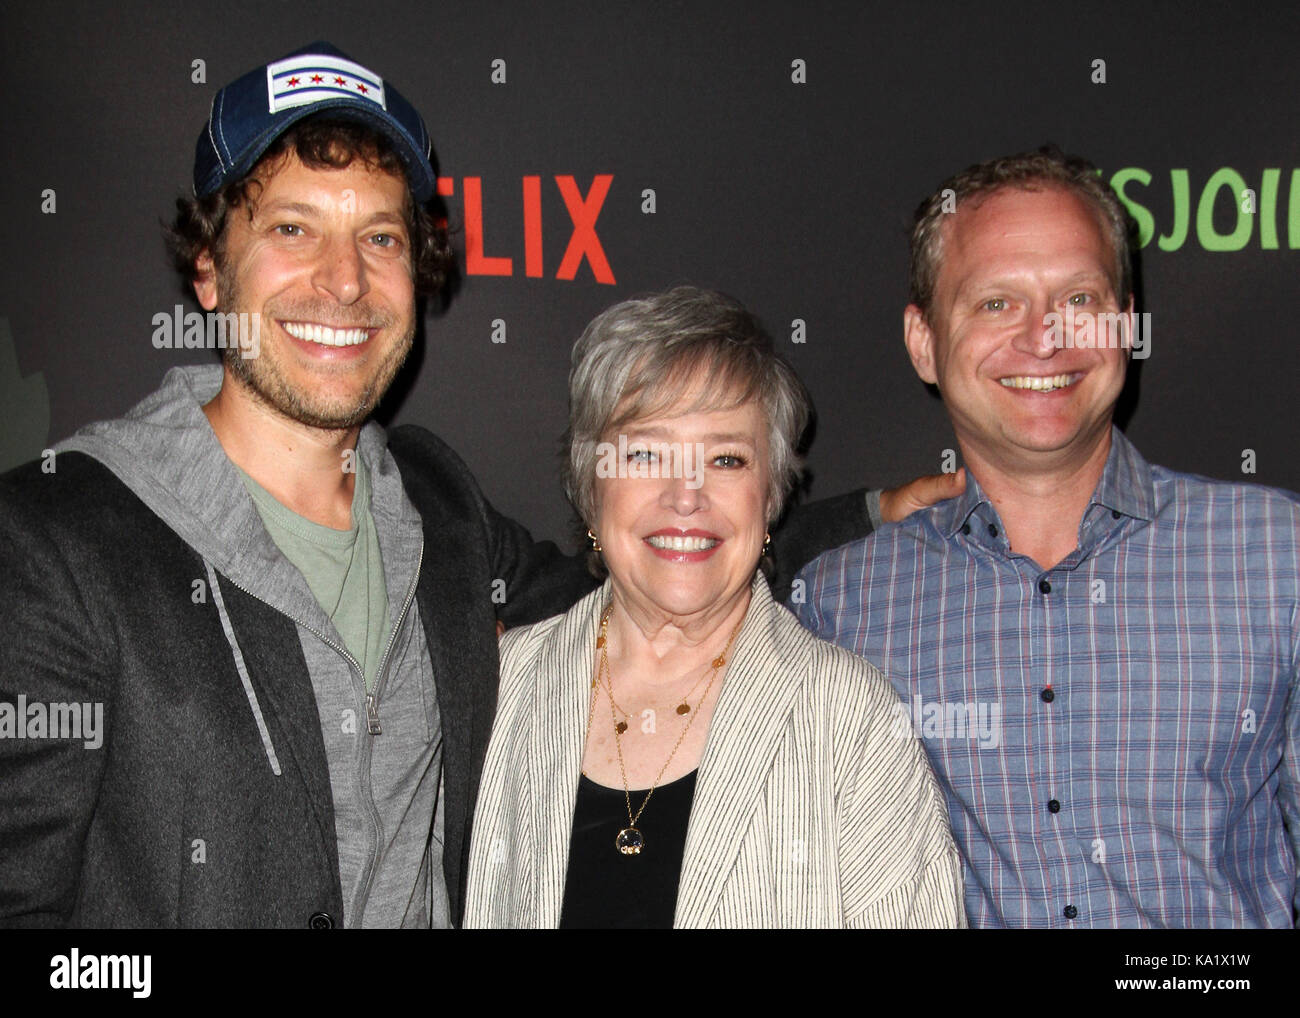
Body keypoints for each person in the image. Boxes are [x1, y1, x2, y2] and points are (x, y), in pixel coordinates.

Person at [0, 43, 956, 929]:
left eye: (379, 238)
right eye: (293, 227)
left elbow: (659, 569)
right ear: (209, 269)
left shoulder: (435, 508)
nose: (342, 282)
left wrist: (864, 516)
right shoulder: (57, 540)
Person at [793, 146, 1300, 928]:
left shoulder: (1276, 555)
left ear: (1126, 325)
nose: (1044, 338)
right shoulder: (839, 604)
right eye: (997, 303)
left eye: (1079, 298)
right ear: (924, 341)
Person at [464, 287, 965, 928]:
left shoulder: (848, 718)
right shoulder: (501, 687)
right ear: (591, 487)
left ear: (772, 495)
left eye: (726, 458)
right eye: (645, 452)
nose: (686, 496)